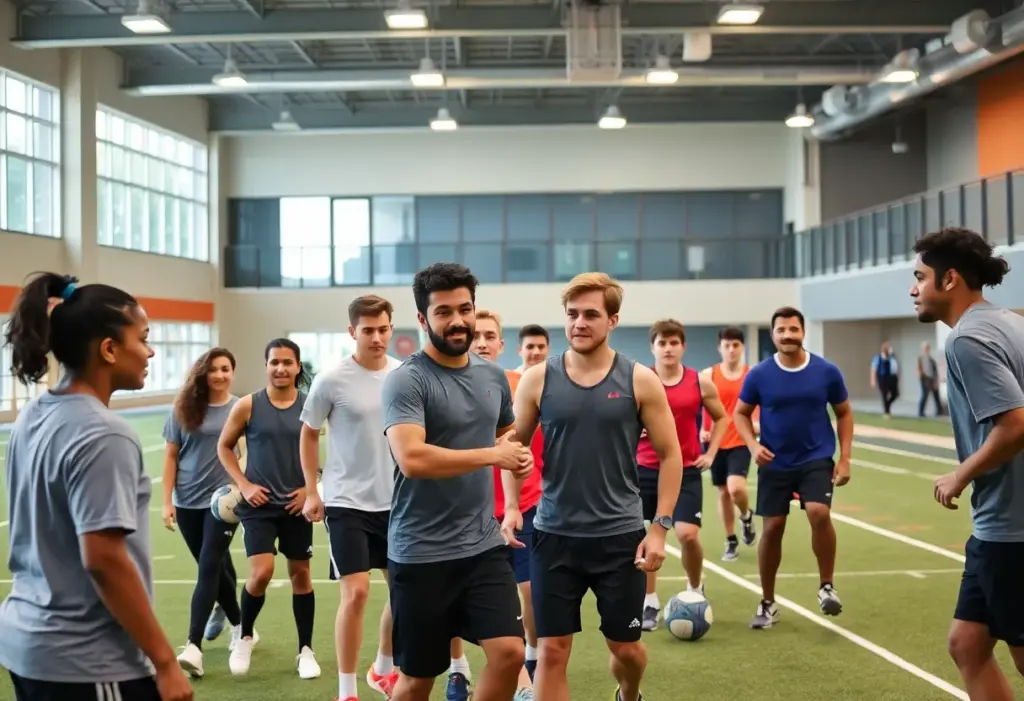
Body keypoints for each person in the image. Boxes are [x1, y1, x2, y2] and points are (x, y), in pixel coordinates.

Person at [0, 273, 192, 701]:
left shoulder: (32, 416)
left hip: (26, 646)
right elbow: (103, 558)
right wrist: (164, 661)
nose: (151, 351)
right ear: (108, 349)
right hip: (85, 661)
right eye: (143, 339)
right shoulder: (104, 433)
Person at [505, 272, 683, 701]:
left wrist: (658, 528)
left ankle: (629, 694)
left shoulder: (640, 380)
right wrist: (512, 505)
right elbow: (513, 447)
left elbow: (671, 455)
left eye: (590, 314)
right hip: (553, 536)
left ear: (613, 320)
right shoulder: (537, 379)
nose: (579, 323)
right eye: (571, 315)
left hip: (619, 539)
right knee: (550, 651)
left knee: (628, 651)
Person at [382, 262, 532, 701]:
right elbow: (411, 458)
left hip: (482, 545)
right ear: (423, 320)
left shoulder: (492, 376)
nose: (458, 320)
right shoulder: (406, 381)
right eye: (444, 312)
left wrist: (516, 457)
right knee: (416, 681)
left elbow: (505, 436)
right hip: (421, 553)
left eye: (464, 309)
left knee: (509, 654)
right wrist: (494, 455)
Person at [909, 227, 1024, 699]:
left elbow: (1015, 424)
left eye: (920, 277)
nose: (913, 289)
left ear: (950, 278)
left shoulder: (966, 341)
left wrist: (960, 474)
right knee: (968, 643)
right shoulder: (1012, 321)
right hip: (998, 522)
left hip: (1011, 526)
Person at [299, 295, 402, 701]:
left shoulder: (404, 375)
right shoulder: (331, 379)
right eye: (368, 330)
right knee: (356, 592)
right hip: (346, 502)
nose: (376, 338)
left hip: (398, 502)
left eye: (383, 329)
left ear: (391, 328)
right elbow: (308, 431)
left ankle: (383, 667)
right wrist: (311, 490)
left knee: (404, 591)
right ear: (352, 332)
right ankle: (347, 692)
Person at [733, 306, 853, 629]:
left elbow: (844, 413)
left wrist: (844, 458)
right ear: (773, 335)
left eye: (793, 329)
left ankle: (826, 585)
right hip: (774, 462)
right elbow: (740, 414)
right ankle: (768, 602)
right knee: (773, 528)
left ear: (803, 333)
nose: (787, 335)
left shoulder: (825, 371)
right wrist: (753, 446)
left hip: (816, 458)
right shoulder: (759, 374)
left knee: (819, 512)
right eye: (781, 330)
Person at [217, 338, 320, 680]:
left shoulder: (311, 406)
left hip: (296, 505)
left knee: (300, 576)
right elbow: (225, 447)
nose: (281, 368)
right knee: (260, 573)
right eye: (274, 362)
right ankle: (244, 636)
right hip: (258, 505)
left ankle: (305, 650)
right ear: (266, 365)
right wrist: (244, 485)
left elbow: (323, 456)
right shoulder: (248, 405)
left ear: (298, 367)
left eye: (287, 362)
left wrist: (309, 488)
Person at [164, 347, 253, 678]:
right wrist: (166, 501)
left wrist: (243, 487)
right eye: (214, 369)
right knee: (218, 569)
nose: (220, 375)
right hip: (187, 500)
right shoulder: (184, 407)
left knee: (208, 565)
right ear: (203, 372)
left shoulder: (240, 407)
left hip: (223, 504)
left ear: (233, 371)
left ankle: (193, 646)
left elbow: (248, 451)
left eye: (226, 369)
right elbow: (171, 456)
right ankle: (240, 623)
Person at [636, 319, 728, 632]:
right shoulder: (641, 380)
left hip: (686, 470)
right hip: (645, 469)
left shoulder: (699, 382)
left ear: (683, 346)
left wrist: (712, 452)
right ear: (653, 347)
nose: (668, 348)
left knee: (688, 534)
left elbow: (722, 418)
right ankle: (649, 601)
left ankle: (695, 587)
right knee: (647, 536)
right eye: (662, 343)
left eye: (674, 342)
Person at [472, 308, 542, 699]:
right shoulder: (448, 385)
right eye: (475, 335)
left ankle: (529, 659)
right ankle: (461, 669)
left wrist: (519, 498)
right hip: (471, 512)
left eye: (489, 336)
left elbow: (523, 446)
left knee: (529, 592)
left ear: (501, 344)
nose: (482, 342)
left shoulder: (520, 385)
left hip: (523, 505)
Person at [701, 326, 758, 561]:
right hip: (715, 442)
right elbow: (701, 405)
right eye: (727, 346)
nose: (731, 350)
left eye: (736, 345)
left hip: (740, 440)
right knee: (723, 492)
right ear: (719, 348)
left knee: (736, 488)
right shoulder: (708, 375)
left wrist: (756, 424)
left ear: (742, 347)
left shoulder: (751, 375)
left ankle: (745, 515)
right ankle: (731, 539)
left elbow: (758, 406)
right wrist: (702, 430)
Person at [870, 342, 900, 417]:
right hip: (882, 378)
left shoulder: (892, 357)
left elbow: (895, 367)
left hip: (892, 377)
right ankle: (886, 412)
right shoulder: (878, 358)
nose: (889, 349)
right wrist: (873, 380)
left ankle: (888, 404)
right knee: (884, 395)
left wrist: (897, 376)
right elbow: (873, 369)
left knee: (895, 394)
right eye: (887, 348)